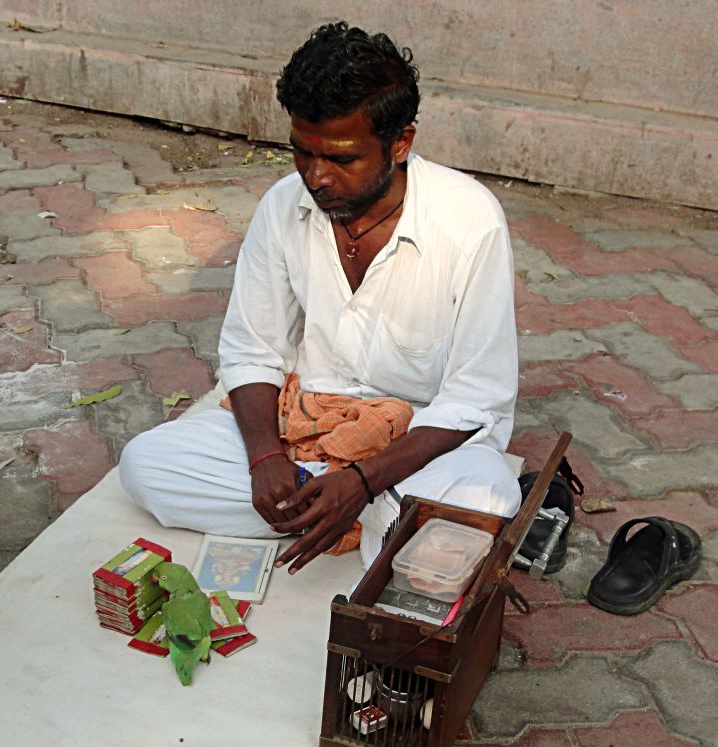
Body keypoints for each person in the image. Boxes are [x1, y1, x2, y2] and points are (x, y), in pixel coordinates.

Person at [120, 22, 521, 574]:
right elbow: (251, 350)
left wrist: (361, 481)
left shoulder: (470, 221)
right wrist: (265, 459)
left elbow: (477, 399)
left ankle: (365, 515)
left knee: (485, 498)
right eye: (302, 153)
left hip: (417, 449)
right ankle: (369, 527)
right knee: (147, 466)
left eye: (341, 158)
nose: (316, 177)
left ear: (400, 142)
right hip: (308, 432)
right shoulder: (283, 206)